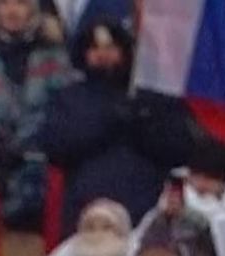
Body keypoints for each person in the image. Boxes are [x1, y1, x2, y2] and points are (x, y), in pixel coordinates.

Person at [39, 20, 193, 233]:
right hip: (87, 210)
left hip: (144, 209)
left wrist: (140, 121)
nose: (103, 54)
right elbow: (56, 147)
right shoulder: (69, 97)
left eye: (110, 47)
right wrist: (108, 119)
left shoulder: (152, 97)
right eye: (94, 48)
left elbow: (179, 148)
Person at [0, 0, 75, 232]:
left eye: (20, 3)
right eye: (4, 3)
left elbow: (59, 109)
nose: (12, 10)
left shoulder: (56, 59)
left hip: (43, 175)